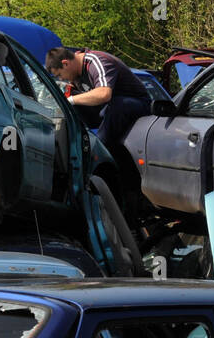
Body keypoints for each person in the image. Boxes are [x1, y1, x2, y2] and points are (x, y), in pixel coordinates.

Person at [46, 46, 151, 217]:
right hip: (107, 110)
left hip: (135, 104)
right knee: (74, 108)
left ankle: (98, 151)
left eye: (59, 74)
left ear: (65, 63)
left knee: (112, 106)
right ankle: (76, 151)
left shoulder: (96, 62)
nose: (62, 78)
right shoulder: (76, 76)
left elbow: (104, 94)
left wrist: (70, 100)